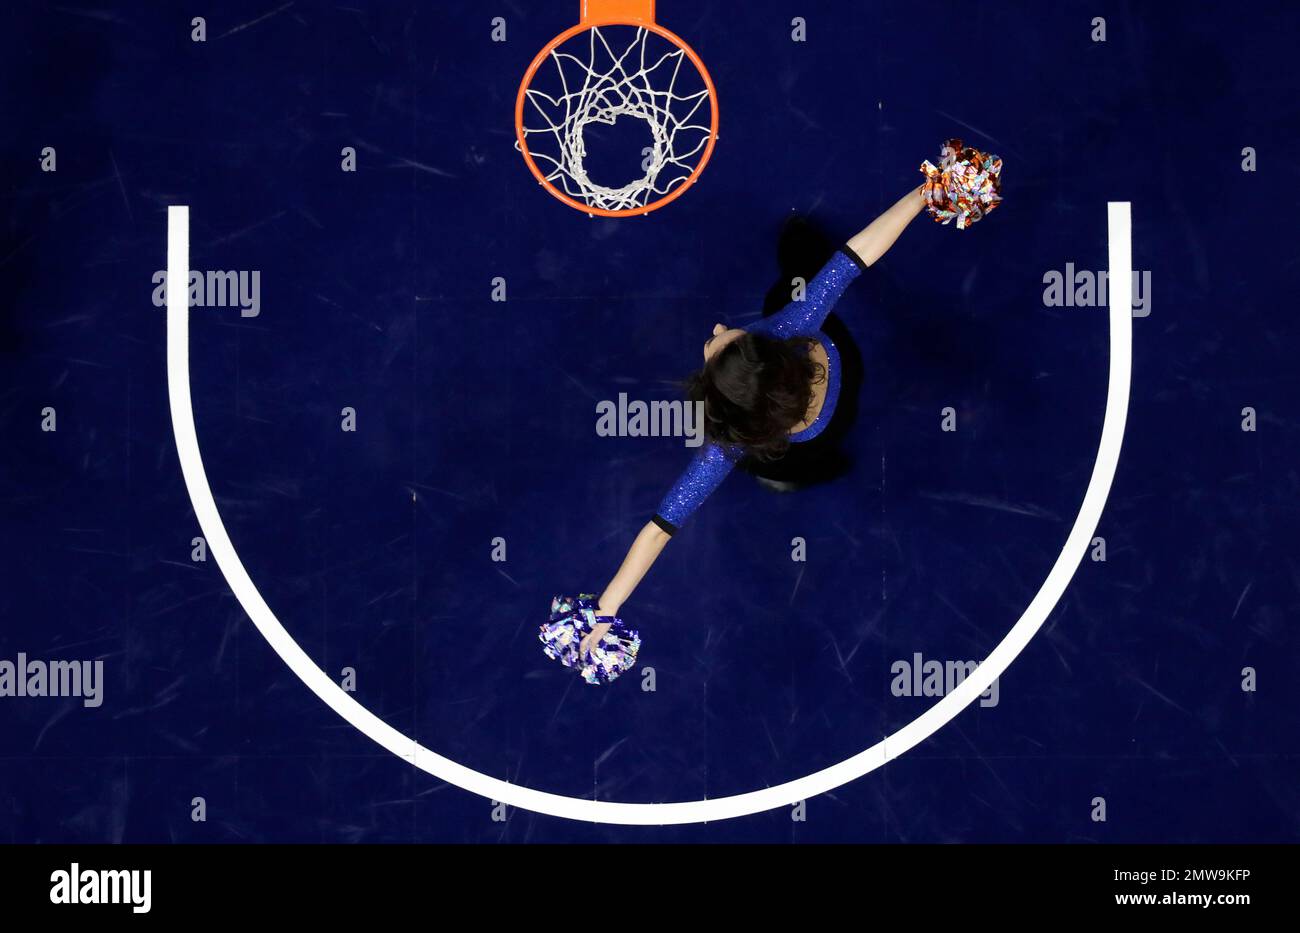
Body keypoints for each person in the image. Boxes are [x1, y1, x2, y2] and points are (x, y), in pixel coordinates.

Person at [580, 184, 929, 661]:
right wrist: (923, 194)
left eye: (714, 343)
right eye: (720, 342)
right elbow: (856, 255)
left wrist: (607, 607)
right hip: (841, 381)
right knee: (792, 286)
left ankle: (794, 474)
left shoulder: (727, 445)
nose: (718, 330)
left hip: (805, 435)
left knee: (783, 463)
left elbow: (660, 527)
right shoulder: (793, 322)